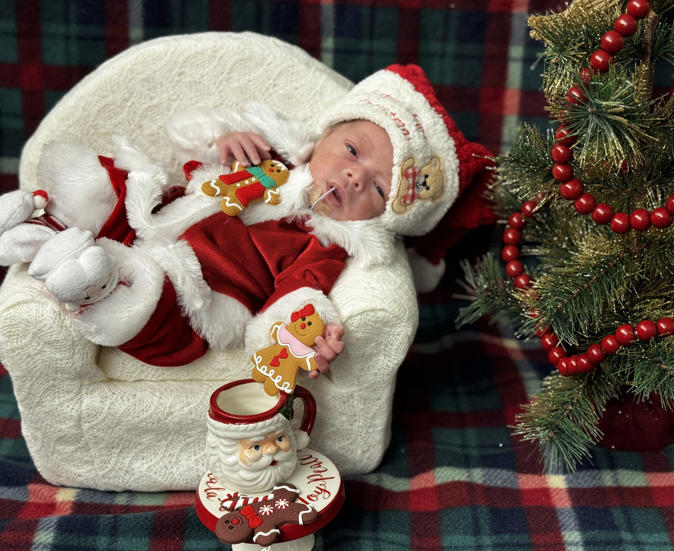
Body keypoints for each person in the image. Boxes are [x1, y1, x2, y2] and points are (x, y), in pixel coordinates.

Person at [0, 64, 494, 371]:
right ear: (323, 136)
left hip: (199, 292)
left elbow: (297, 296)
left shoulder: (327, 245)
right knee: (107, 181)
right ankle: (43, 218)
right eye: (351, 150)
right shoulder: (266, 161)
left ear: (385, 215)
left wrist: (302, 336)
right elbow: (189, 151)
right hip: (158, 217)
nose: (355, 176)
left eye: (381, 188)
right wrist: (222, 142)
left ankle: (91, 282)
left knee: (150, 298)